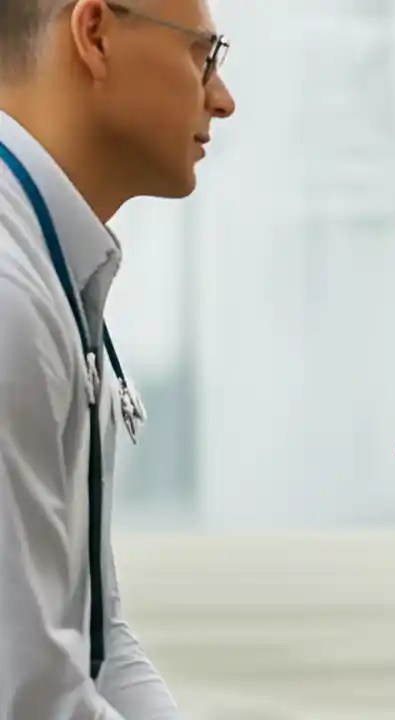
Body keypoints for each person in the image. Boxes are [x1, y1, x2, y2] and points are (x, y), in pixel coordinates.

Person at [0, 0, 235, 717]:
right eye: (204, 55)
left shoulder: (53, 264)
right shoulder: (9, 297)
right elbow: (30, 696)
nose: (223, 100)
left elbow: (96, 641)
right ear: (95, 34)